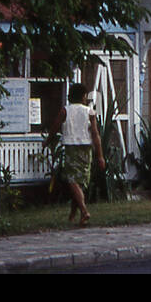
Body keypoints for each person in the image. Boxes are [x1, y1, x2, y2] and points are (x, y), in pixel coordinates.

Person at [48, 84, 105, 226]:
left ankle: (84, 211)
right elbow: (96, 134)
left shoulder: (65, 111)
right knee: (79, 183)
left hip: (71, 148)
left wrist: (48, 140)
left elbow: (55, 126)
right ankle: (74, 214)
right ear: (83, 96)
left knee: (72, 181)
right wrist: (100, 156)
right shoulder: (90, 112)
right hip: (86, 149)